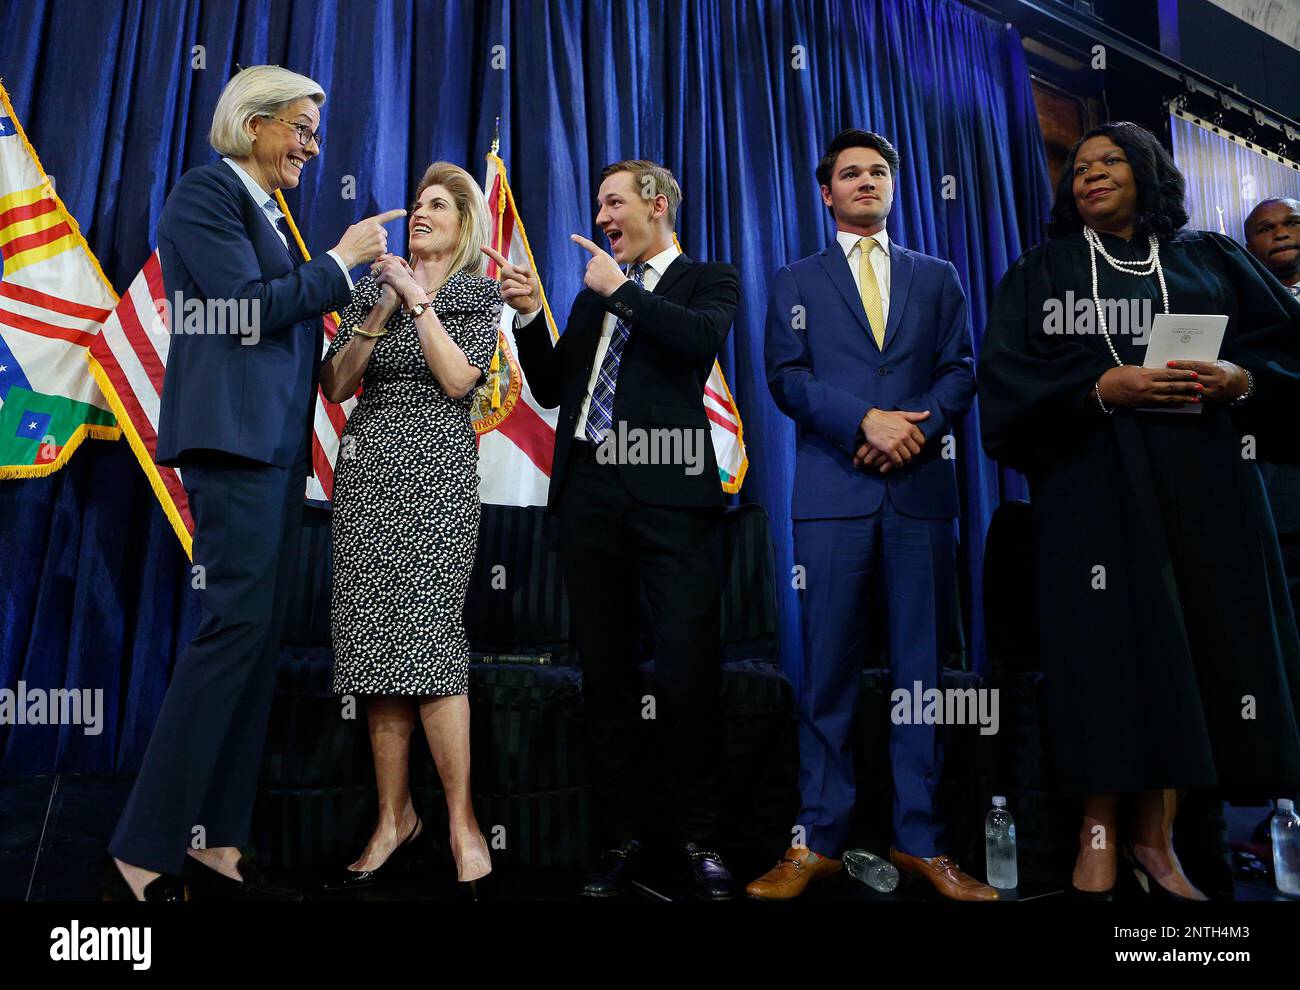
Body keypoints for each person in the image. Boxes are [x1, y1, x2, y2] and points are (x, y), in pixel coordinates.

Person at [104, 65, 404, 901]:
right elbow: (242, 308)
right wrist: (343, 263)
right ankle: (139, 853)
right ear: (256, 122)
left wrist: (365, 301)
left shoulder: (271, 214)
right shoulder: (207, 194)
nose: (312, 145)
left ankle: (217, 844)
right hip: (233, 449)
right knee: (231, 631)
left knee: (256, 642)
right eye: (302, 128)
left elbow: (285, 324)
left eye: (313, 131)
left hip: (272, 452)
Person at [977, 122, 1300, 900]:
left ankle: (1158, 845)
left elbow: (1286, 349)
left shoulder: (1209, 259)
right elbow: (1006, 384)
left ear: (1147, 171)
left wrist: (1239, 380)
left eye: (1110, 160)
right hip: (1092, 489)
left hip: (1206, 489)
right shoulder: (1041, 270)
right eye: (1079, 167)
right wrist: (1098, 390)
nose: (1090, 174)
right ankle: (1099, 834)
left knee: (1194, 658)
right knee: (1106, 660)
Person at [483, 159, 740, 899]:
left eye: (613, 202)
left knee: (687, 670)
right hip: (590, 494)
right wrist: (534, 316)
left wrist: (621, 292)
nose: (601, 218)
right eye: (599, 205)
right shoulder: (598, 290)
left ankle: (699, 837)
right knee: (606, 675)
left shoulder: (706, 279)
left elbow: (696, 343)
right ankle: (623, 834)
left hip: (672, 499)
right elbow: (557, 385)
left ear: (656, 205)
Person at [749, 128, 992, 902]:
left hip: (920, 495)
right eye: (850, 174)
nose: (865, 182)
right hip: (832, 497)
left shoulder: (939, 276)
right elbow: (787, 378)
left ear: (893, 186)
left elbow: (961, 370)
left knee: (922, 673)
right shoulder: (794, 279)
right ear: (827, 193)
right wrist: (867, 423)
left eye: (878, 172)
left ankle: (921, 841)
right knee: (826, 674)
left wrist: (912, 431)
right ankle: (816, 839)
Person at [318, 162, 500, 898]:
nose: (419, 214)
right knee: (373, 645)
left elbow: (461, 382)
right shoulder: (372, 289)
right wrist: (379, 309)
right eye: (417, 204)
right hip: (366, 477)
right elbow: (334, 384)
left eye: (436, 206)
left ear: (462, 223)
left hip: (436, 480)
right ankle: (394, 819)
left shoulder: (477, 293)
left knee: (427, 638)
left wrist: (419, 301)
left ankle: (462, 823)